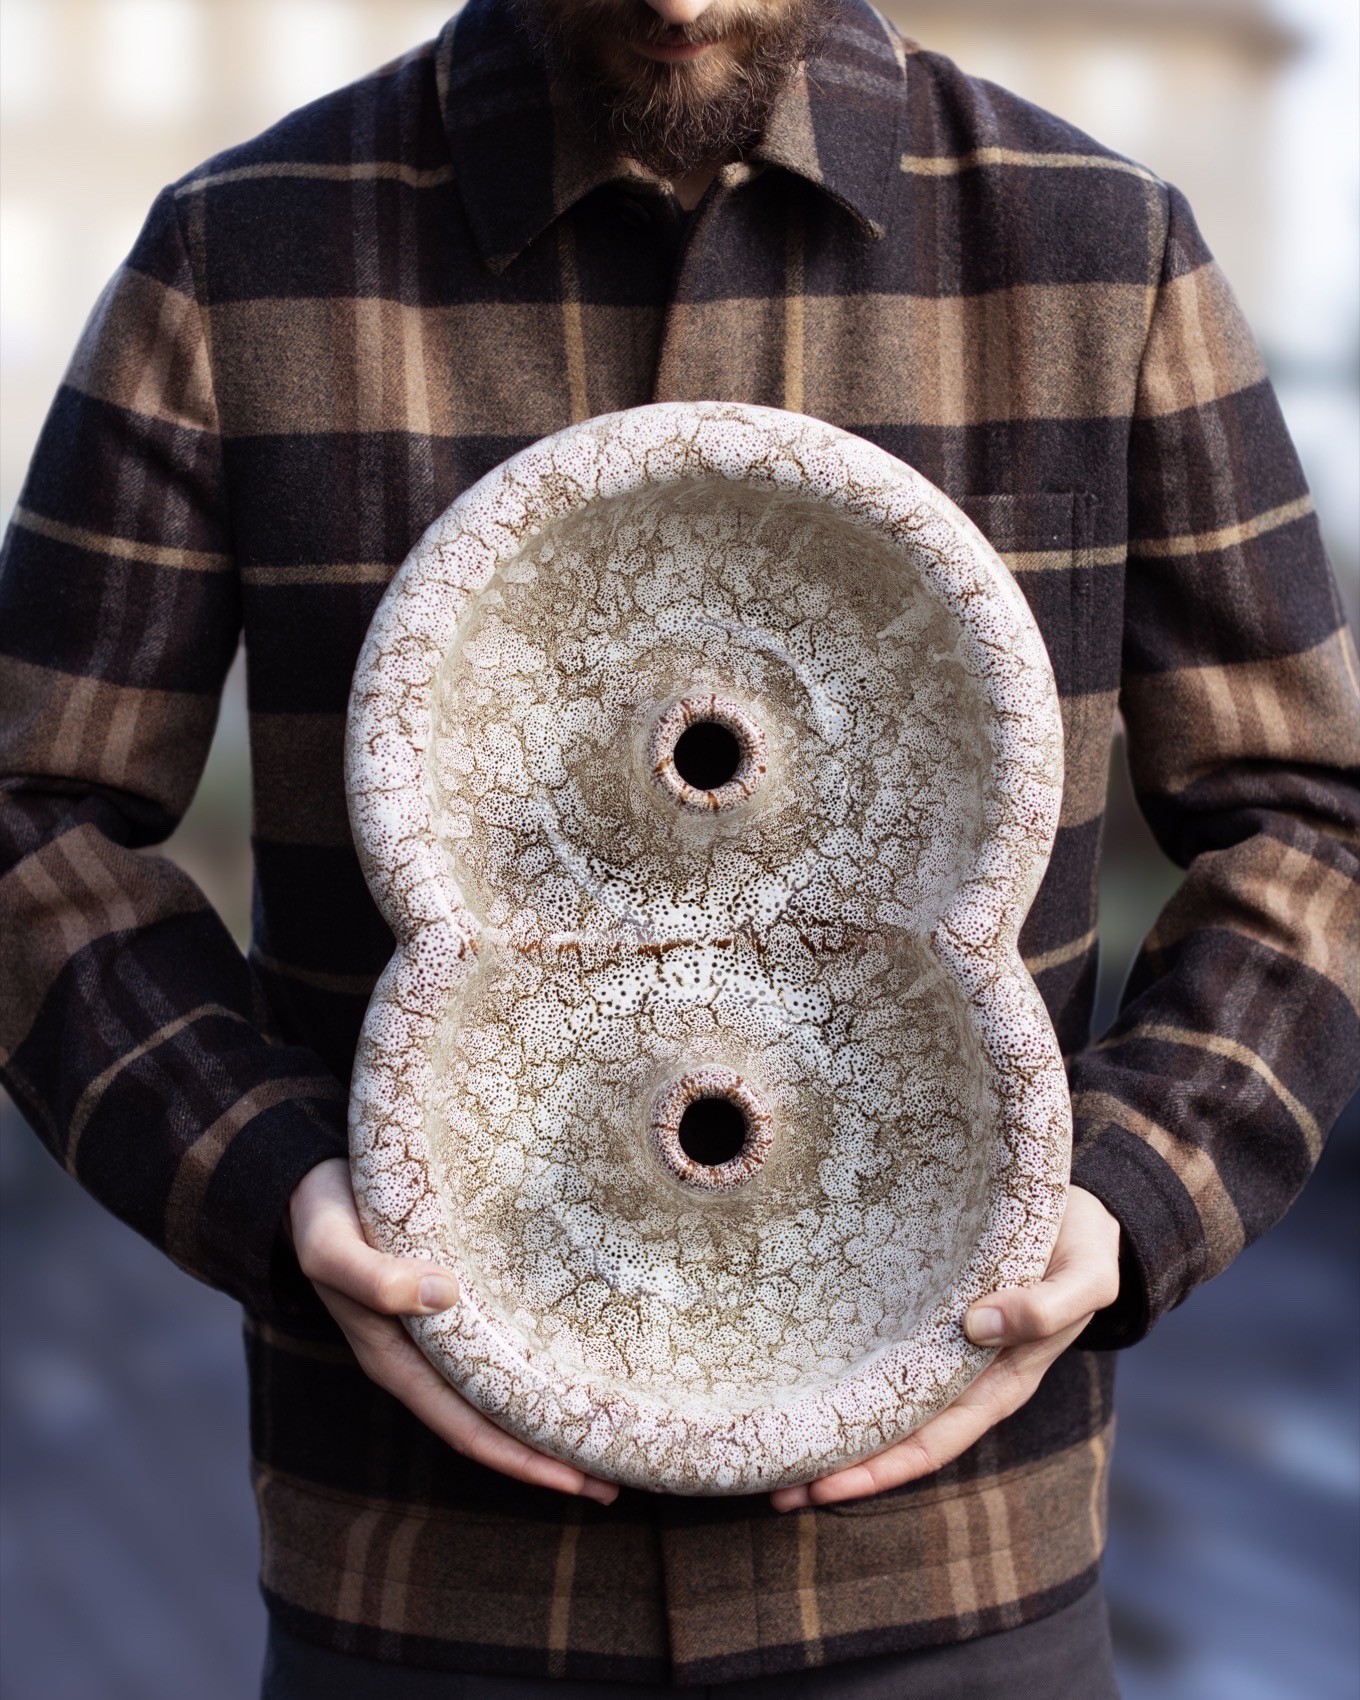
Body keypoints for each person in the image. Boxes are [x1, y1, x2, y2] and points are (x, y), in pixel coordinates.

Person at [1, 0, 1356, 1693]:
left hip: (952, 1572)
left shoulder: (1100, 250)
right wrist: (269, 1184)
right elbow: (33, 821)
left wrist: (1140, 1189)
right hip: (430, 1576)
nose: (677, 14)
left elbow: (1310, 822)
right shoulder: (244, 252)